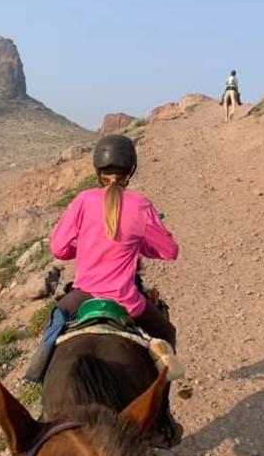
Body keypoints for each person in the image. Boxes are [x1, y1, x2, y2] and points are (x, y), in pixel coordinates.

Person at [24, 134, 180, 380]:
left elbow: (59, 249)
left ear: (98, 169)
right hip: (128, 301)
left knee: (55, 320)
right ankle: (166, 391)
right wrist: (137, 244)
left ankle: (37, 372)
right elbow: (170, 251)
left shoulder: (83, 200)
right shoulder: (141, 204)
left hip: (82, 296)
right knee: (166, 331)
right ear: (132, 169)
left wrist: (86, 247)